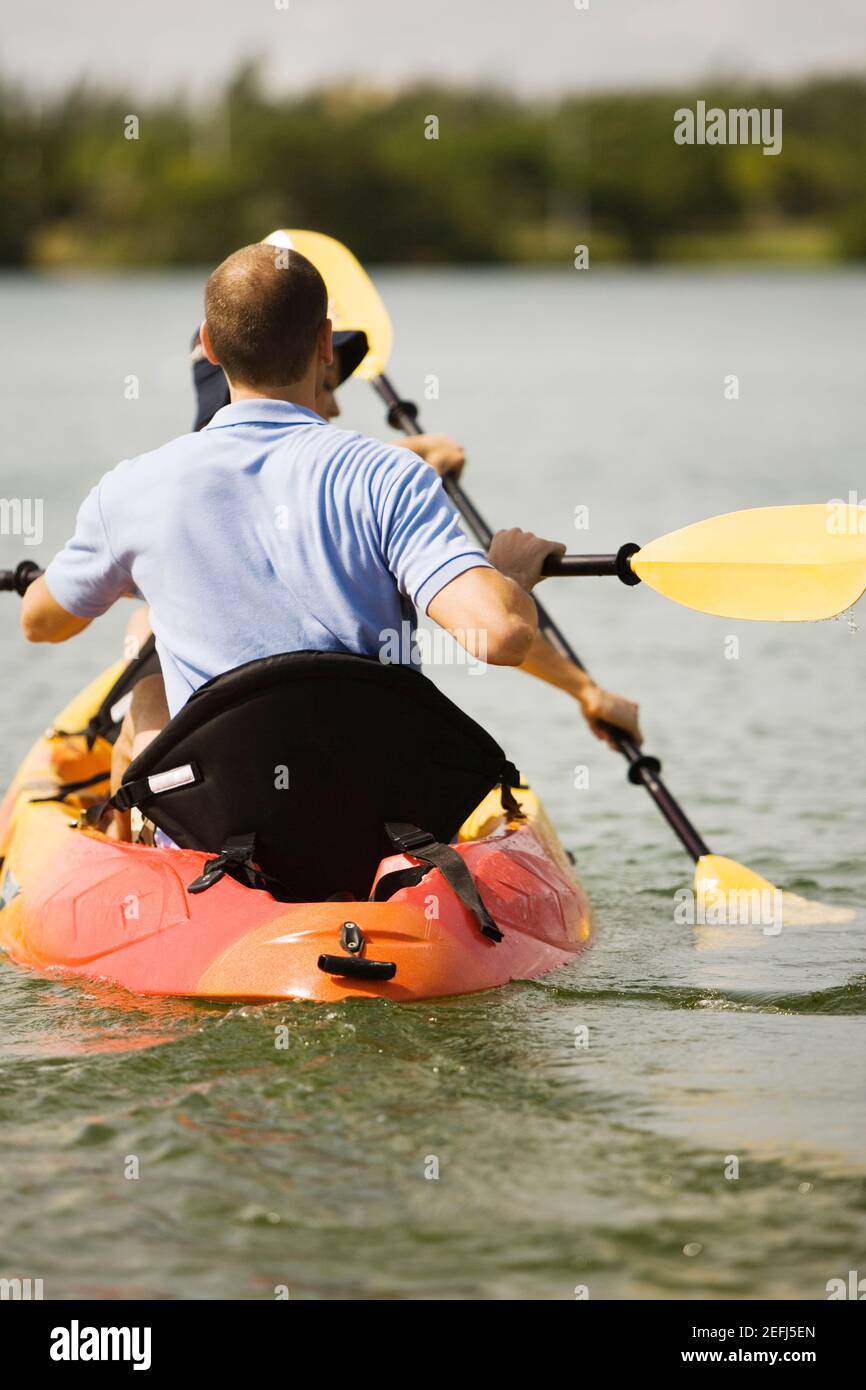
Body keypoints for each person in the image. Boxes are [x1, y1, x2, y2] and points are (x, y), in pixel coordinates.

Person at [21, 244, 641, 842]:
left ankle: (131, 851)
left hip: (217, 826)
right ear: (324, 343)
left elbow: (41, 623)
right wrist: (508, 575)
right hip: (379, 821)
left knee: (146, 680)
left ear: (208, 346)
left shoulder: (130, 490)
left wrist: (84, 578)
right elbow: (500, 637)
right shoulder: (391, 476)